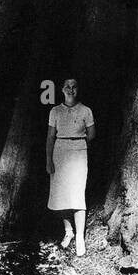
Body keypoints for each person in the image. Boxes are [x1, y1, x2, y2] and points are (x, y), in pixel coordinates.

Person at [46, 77, 96, 255]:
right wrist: (49, 160)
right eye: (67, 86)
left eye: (74, 86)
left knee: (77, 195)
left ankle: (80, 238)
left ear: (78, 90)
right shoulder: (55, 111)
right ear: (61, 89)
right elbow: (50, 137)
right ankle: (69, 232)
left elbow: (91, 134)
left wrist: (78, 144)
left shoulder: (85, 111)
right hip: (59, 152)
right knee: (61, 196)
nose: (70, 89)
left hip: (79, 152)